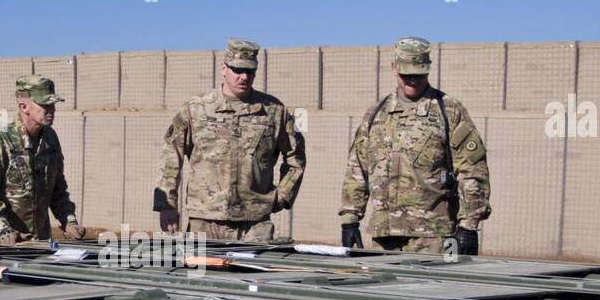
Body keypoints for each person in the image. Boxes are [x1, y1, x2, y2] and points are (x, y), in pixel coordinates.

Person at [338, 37, 491, 254]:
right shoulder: (375, 114)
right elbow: (357, 169)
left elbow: (472, 169)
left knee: (433, 289)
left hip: (436, 237)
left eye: (418, 74)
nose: (412, 81)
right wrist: (350, 219)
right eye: (406, 75)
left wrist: (469, 226)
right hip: (385, 236)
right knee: (382, 288)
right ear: (394, 69)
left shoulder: (449, 111)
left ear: (428, 70)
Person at [154, 38, 305, 242]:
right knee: (203, 273)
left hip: (255, 223)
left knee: (253, 274)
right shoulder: (196, 109)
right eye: (237, 70)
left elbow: (295, 158)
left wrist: (283, 195)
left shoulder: (274, 111)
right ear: (224, 68)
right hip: (205, 220)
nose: (244, 77)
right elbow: (171, 155)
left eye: (250, 71)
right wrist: (167, 204)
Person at [0, 75, 83, 244]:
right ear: (24, 106)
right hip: (4, 246)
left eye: (52, 104)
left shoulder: (50, 139)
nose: (52, 109)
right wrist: (2, 228)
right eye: (45, 105)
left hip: (41, 244)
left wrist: (69, 220)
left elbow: (58, 188)